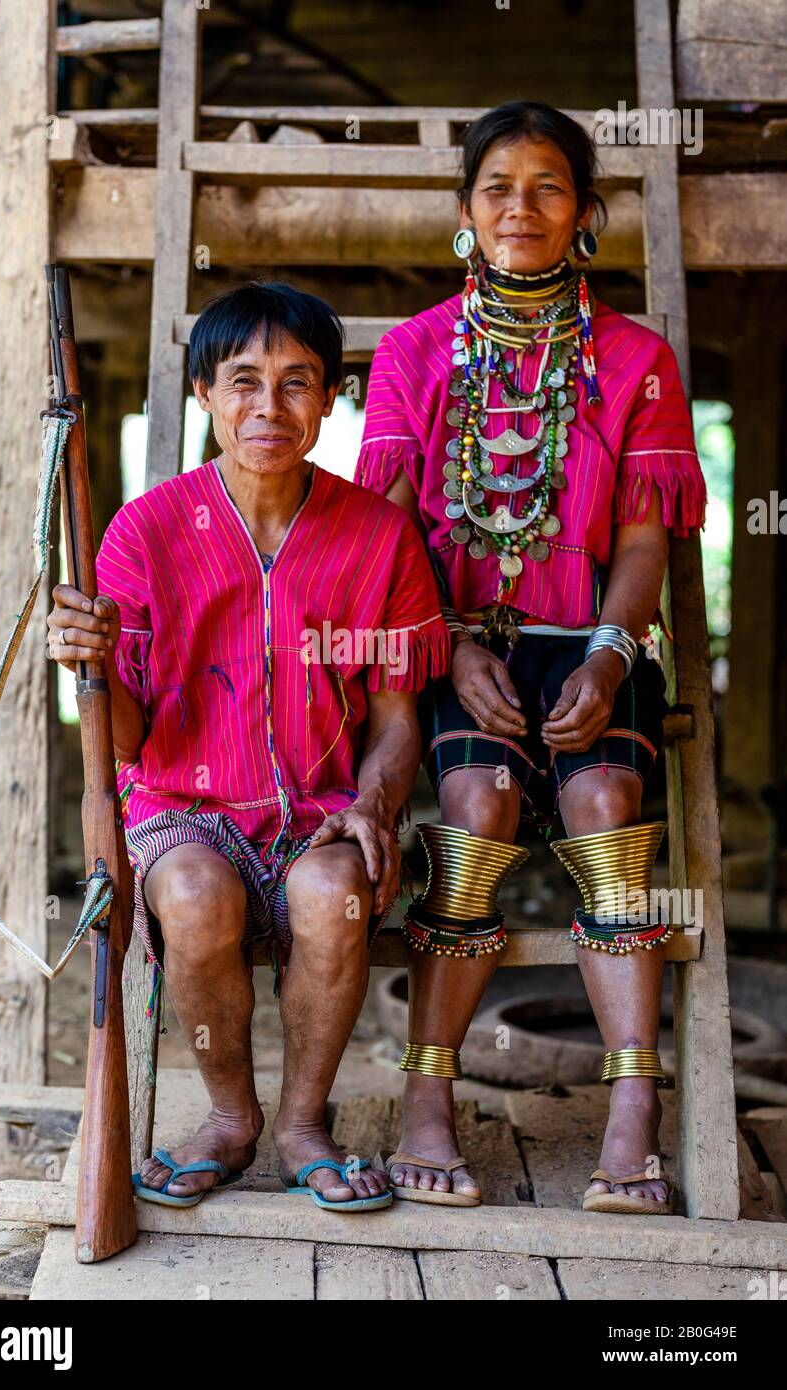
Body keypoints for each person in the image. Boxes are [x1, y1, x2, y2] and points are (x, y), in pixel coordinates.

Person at [356, 101, 707, 1213]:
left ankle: (630, 1105)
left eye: (547, 185)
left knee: (605, 801)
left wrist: (607, 661)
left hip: (588, 641)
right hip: (458, 643)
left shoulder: (634, 358)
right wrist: (451, 643)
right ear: (465, 214)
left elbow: (644, 534)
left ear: (585, 214)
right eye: (496, 186)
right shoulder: (415, 352)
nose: (520, 205)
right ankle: (426, 1096)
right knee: (478, 808)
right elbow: (389, 528)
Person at [47, 282, 450, 1212]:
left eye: (297, 382)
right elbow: (128, 743)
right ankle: (231, 1119)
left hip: (321, 812)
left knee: (337, 892)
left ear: (330, 399)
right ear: (203, 395)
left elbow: (395, 721)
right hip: (186, 813)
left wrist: (374, 806)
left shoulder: (382, 538)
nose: (269, 406)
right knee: (191, 897)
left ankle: (306, 1123)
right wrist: (92, 672)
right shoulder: (143, 534)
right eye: (243, 382)